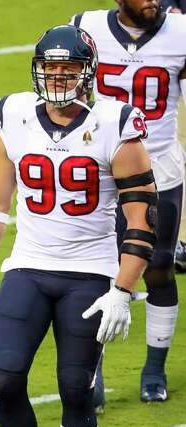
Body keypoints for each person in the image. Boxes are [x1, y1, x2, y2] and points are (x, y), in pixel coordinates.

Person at [0, 25, 154, 427]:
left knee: (76, 389)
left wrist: (122, 288)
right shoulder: (14, 113)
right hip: (28, 264)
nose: (58, 77)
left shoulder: (116, 121)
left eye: (68, 68)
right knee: (5, 379)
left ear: (88, 73)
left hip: (91, 272)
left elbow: (142, 215)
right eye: (50, 68)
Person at [71, 1, 184, 403]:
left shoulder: (181, 32)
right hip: (106, 163)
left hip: (161, 163)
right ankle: (92, 371)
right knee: (98, 269)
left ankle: (154, 368)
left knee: (157, 266)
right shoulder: (86, 27)